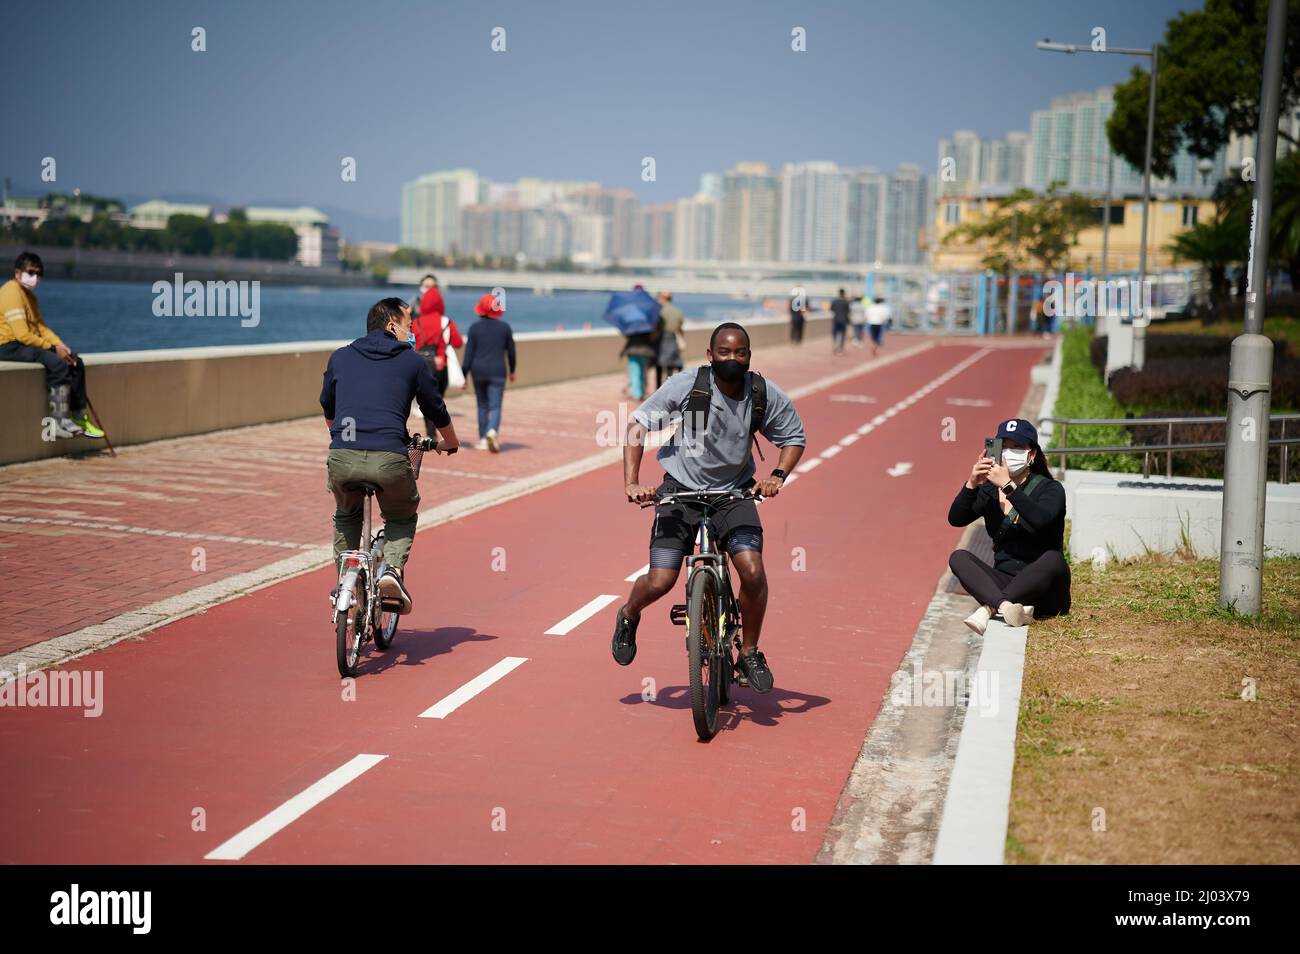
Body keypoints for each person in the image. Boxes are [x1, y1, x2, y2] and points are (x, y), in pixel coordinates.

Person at [612, 322, 807, 693]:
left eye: (740, 353)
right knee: (661, 580)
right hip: (679, 491)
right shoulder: (689, 386)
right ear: (709, 355)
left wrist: (777, 475)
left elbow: (794, 437)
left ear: (749, 356)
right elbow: (637, 426)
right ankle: (629, 613)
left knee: (751, 570)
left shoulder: (761, 392)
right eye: (724, 353)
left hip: (733, 493)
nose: (732, 359)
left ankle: (748, 652)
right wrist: (632, 482)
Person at [319, 297, 460, 613]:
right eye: (410, 325)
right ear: (391, 324)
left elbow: (328, 408)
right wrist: (450, 442)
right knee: (401, 515)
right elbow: (435, 408)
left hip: (342, 456)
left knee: (346, 513)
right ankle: (392, 571)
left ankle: (346, 578)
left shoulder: (340, 357)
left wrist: (341, 438)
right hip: (390, 458)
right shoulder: (412, 363)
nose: (413, 333)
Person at [947, 418, 1070, 635]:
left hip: (1046, 589)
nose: (1009, 453)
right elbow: (956, 519)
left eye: (1017, 448)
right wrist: (972, 483)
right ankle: (1008, 607)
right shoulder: (988, 491)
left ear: (1031, 455)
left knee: (1054, 559)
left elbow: (1040, 520)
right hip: (1006, 582)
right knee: (958, 557)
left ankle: (989, 609)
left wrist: (1009, 486)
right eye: (1004, 447)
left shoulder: (1050, 489)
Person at [0, 251, 104, 439]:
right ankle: (59, 420)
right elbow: (22, 334)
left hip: (22, 344)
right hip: (7, 345)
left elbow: (40, 327)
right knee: (56, 364)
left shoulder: (29, 297)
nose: (35, 278)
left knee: (75, 361)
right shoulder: (11, 292)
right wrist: (53, 349)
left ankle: (79, 415)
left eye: (38, 274)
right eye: (30, 273)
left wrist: (61, 345)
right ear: (17, 273)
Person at [461, 292, 516, 453]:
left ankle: (483, 440)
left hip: (478, 372)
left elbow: (468, 354)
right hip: (498, 371)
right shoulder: (505, 328)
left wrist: (463, 376)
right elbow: (511, 353)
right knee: (496, 405)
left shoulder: (474, 328)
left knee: (482, 405)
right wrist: (512, 370)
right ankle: (492, 430)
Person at [412, 274, 462, 400]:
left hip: (420, 366)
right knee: (438, 403)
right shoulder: (446, 322)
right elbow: (458, 343)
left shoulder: (415, 322)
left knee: (424, 402)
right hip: (440, 367)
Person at [653, 290, 685, 390]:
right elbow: (680, 328)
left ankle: (658, 389)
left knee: (659, 366)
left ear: (662, 298)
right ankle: (669, 389)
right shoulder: (677, 312)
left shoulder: (659, 311)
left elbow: (656, 326)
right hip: (673, 339)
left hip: (661, 339)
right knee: (670, 366)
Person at [620, 328, 656, 401]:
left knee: (634, 374)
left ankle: (636, 394)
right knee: (642, 373)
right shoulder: (647, 326)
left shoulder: (631, 327)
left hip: (633, 351)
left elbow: (627, 337)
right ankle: (641, 392)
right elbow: (652, 338)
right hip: (645, 351)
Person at [829, 288, 851, 354]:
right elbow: (848, 311)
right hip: (843, 320)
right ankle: (841, 348)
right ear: (844, 293)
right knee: (843, 334)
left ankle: (835, 343)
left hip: (836, 319)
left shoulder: (834, 301)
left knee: (834, 333)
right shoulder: (846, 302)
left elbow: (831, 309)